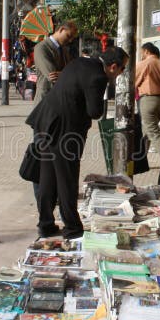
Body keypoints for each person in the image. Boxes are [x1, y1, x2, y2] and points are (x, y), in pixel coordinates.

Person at [27, 46, 129, 240]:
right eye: (122, 69)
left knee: (48, 176)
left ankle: (46, 224)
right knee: (67, 179)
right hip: (65, 131)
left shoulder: (81, 61)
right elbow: (95, 111)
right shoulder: (99, 77)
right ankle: (72, 228)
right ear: (113, 67)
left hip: (45, 122)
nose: (121, 73)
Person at [135, 42, 160, 153]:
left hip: (148, 101)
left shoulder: (144, 64)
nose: (141, 55)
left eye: (142, 52)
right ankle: (140, 160)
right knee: (147, 131)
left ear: (147, 51)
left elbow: (131, 82)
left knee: (154, 133)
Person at [33, 20, 78, 106]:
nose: (70, 40)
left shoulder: (64, 49)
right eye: (68, 36)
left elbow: (72, 70)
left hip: (61, 99)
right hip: (45, 99)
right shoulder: (41, 47)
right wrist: (69, 74)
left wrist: (63, 74)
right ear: (61, 29)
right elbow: (52, 75)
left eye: (72, 38)